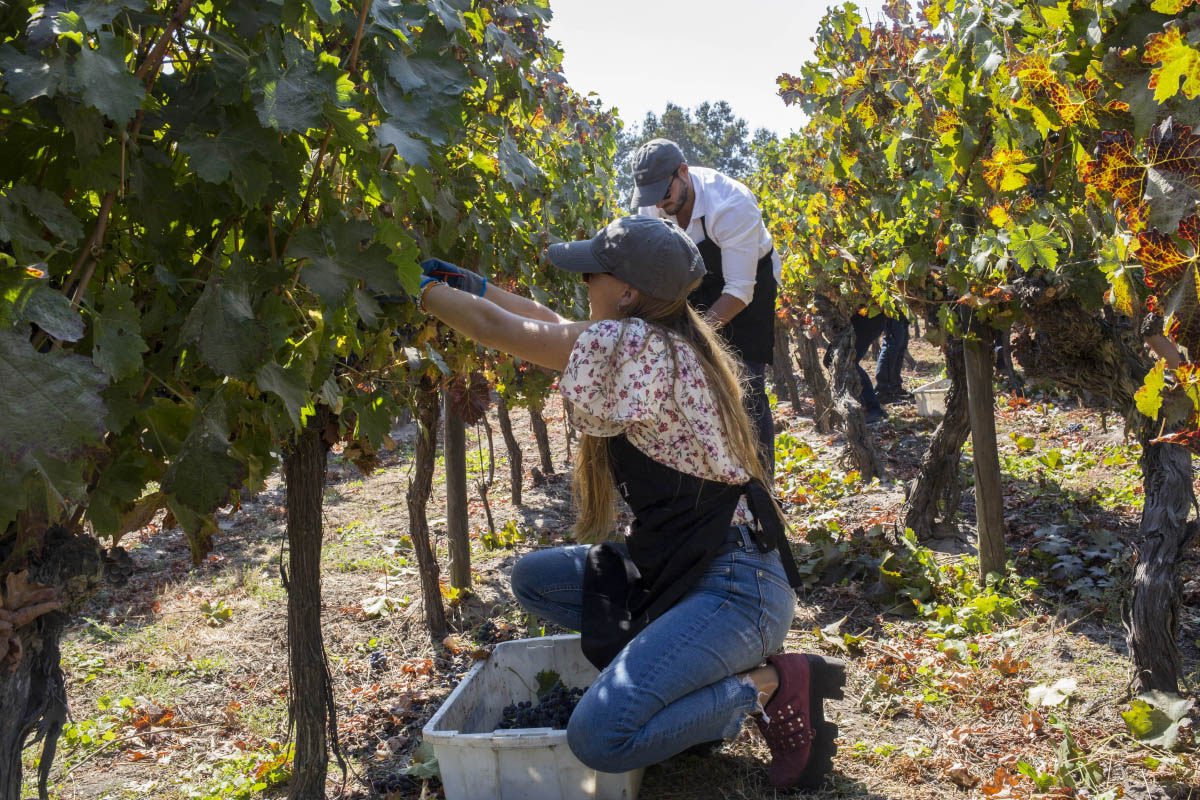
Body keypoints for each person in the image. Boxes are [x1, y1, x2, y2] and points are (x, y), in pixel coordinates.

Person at [417, 216, 844, 790]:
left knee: (600, 736)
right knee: (534, 579)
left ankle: (772, 682)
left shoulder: (638, 346)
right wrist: (472, 285)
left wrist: (415, 290)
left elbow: (502, 329)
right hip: (682, 566)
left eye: (592, 272)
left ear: (627, 291)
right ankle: (683, 663)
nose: (583, 282)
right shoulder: (661, 333)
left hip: (739, 588)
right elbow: (544, 322)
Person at [631, 139, 780, 477]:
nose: (658, 202)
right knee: (692, 390)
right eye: (650, 195)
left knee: (747, 387)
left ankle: (762, 491)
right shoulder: (652, 207)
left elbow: (739, 291)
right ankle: (719, 483)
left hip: (748, 285)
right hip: (693, 281)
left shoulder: (731, 205)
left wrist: (694, 337)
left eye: (663, 192)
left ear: (683, 172)